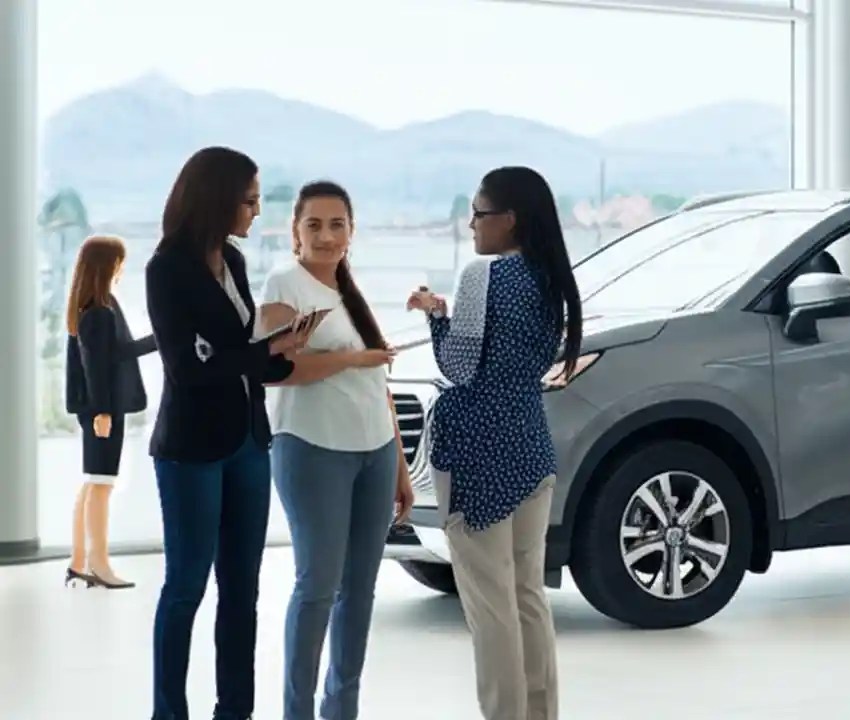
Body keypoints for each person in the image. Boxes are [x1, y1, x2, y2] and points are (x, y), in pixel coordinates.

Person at [145, 146, 317, 720]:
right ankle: (168, 712)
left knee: (242, 591)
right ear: (217, 198)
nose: (256, 212)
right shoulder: (166, 268)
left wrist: (284, 353)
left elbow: (240, 360)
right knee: (186, 586)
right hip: (192, 450)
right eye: (249, 201)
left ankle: (234, 711)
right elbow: (189, 368)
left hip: (248, 442)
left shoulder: (236, 263)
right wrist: (263, 350)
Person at [406, 165, 582, 720]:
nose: (472, 224)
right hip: (531, 447)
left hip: (478, 454)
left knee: (490, 606)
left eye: (479, 213)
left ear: (509, 219)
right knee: (527, 595)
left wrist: (437, 316)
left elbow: (459, 368)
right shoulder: (551, 280)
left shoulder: (482, 276)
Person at [258, 180, 414, 720]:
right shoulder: (284, 284)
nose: (326, 235)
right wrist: (352, 359)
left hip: (373, 450)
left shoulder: (350, 293)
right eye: (314, 225)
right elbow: (277, 372)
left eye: (337, 224)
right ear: (295, 232)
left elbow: (380, 387)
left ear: (352, 232)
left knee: (360, 591)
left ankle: (341, 709)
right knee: (317, 585)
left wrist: (398, 464)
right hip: (311, 448)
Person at [63, 234, 157, 590]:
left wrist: (159, 337)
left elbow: (118, 353)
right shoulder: (99, 312)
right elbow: (96, 368)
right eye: (119, 263)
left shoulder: (93, 307)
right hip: (102, 409)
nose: (122, 269)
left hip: (98, 408)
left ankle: (79, 562)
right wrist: (103, 411)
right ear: (107, 266)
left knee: (93, 482)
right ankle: (98, 565)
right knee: (102, 483)